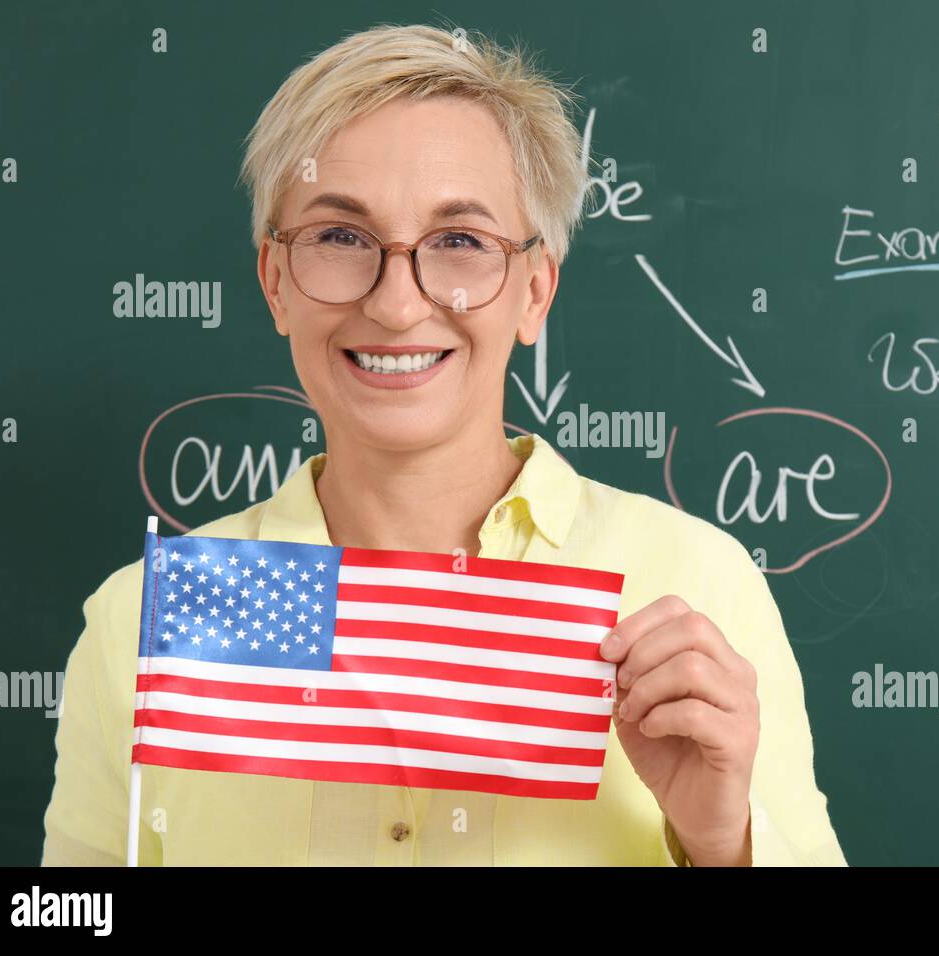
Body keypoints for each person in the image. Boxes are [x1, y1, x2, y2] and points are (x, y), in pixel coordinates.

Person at [41, 22, 847, 866]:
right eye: (340, 238)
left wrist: (721, 841)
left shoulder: (699, 585)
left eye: (460, 242)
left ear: (534, 292)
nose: (396, 304)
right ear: (276, 283)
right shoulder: (149, 620)